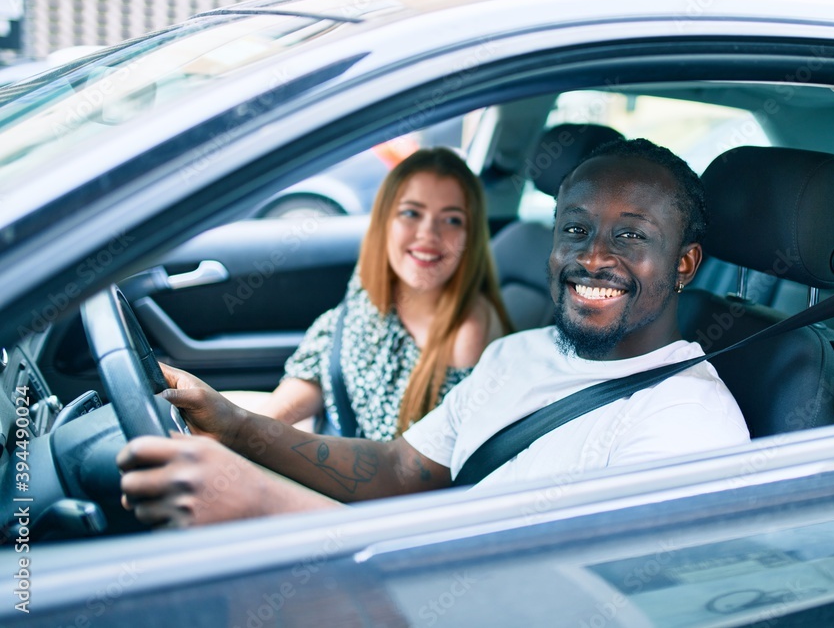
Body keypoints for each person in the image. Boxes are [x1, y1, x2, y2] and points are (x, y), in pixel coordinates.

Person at [117, 138, 750, 528]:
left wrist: (259, 501)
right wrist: (233, 425)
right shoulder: (520, 353)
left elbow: (549, 599)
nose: (593, 258)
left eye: (632, 236)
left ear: (685, 264)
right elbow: (405, 470)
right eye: (576, 229)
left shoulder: (685, 421)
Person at [236, 147, 512, 441]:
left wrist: (267, 443)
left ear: (471, 237)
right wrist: (252, 428)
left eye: (452, 219)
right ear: (384, 220)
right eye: (411, 213)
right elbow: (324, 369)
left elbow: (410, 468)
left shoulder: (467, 333)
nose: (428, 234)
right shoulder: (377, 283)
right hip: (328, 434)